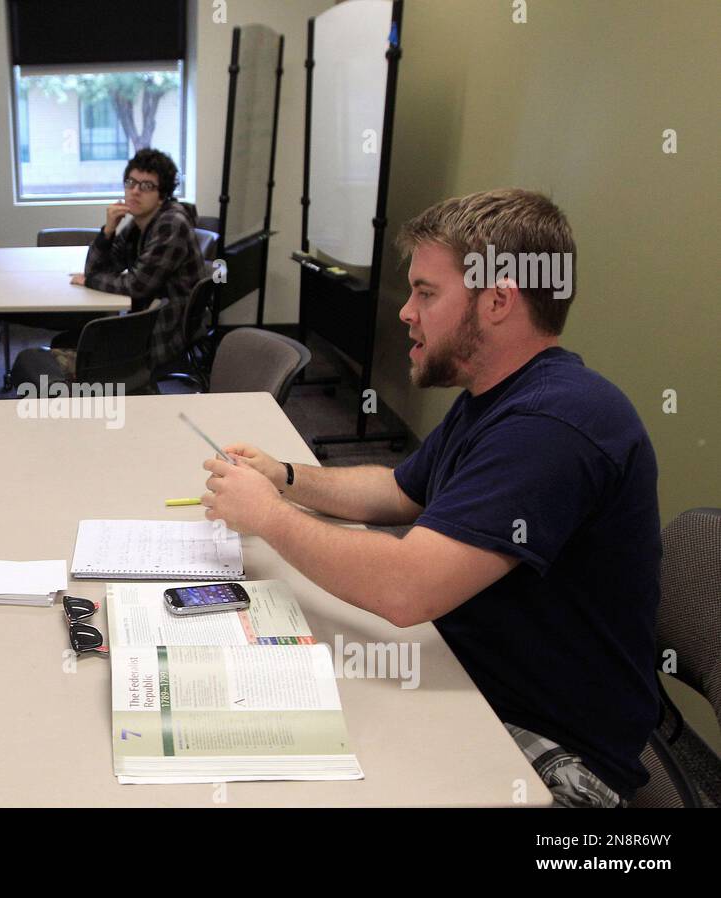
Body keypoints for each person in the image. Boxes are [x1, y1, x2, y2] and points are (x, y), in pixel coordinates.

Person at [199, 189, 659, 807]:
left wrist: (268, 517)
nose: (406, 313)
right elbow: (399, 490)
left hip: (550, 754)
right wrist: (285, 476)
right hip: (470, 677)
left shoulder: (553, 425)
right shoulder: (498, 395)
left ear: (498, 300)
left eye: (427, 292)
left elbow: (406, 588)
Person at [61, 148, 204, 371]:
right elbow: (97, 269)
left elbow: (136, 286)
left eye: (146, 186)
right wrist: (108, 230)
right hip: (143, 321)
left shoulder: (170, 224)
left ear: (162, 196)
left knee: (69, 347)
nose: (135, 191)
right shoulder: (140, 223)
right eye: (131, 182)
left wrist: (89, 281)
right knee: (67, 341)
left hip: (162, 333)